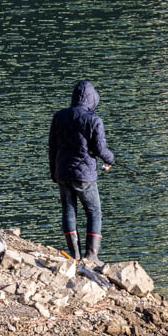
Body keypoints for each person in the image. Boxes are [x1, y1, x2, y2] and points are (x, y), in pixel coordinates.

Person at [48, 80, 114, 263]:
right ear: (92, 99)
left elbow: (52, 147)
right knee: (94, 211)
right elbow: (100, 149)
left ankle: (75, 255)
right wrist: (110, 159)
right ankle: (91, 256)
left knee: (69, 210)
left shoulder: (59, 117)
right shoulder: (94, 120)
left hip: (62, 173)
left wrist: (53, 171)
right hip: (84, 176)